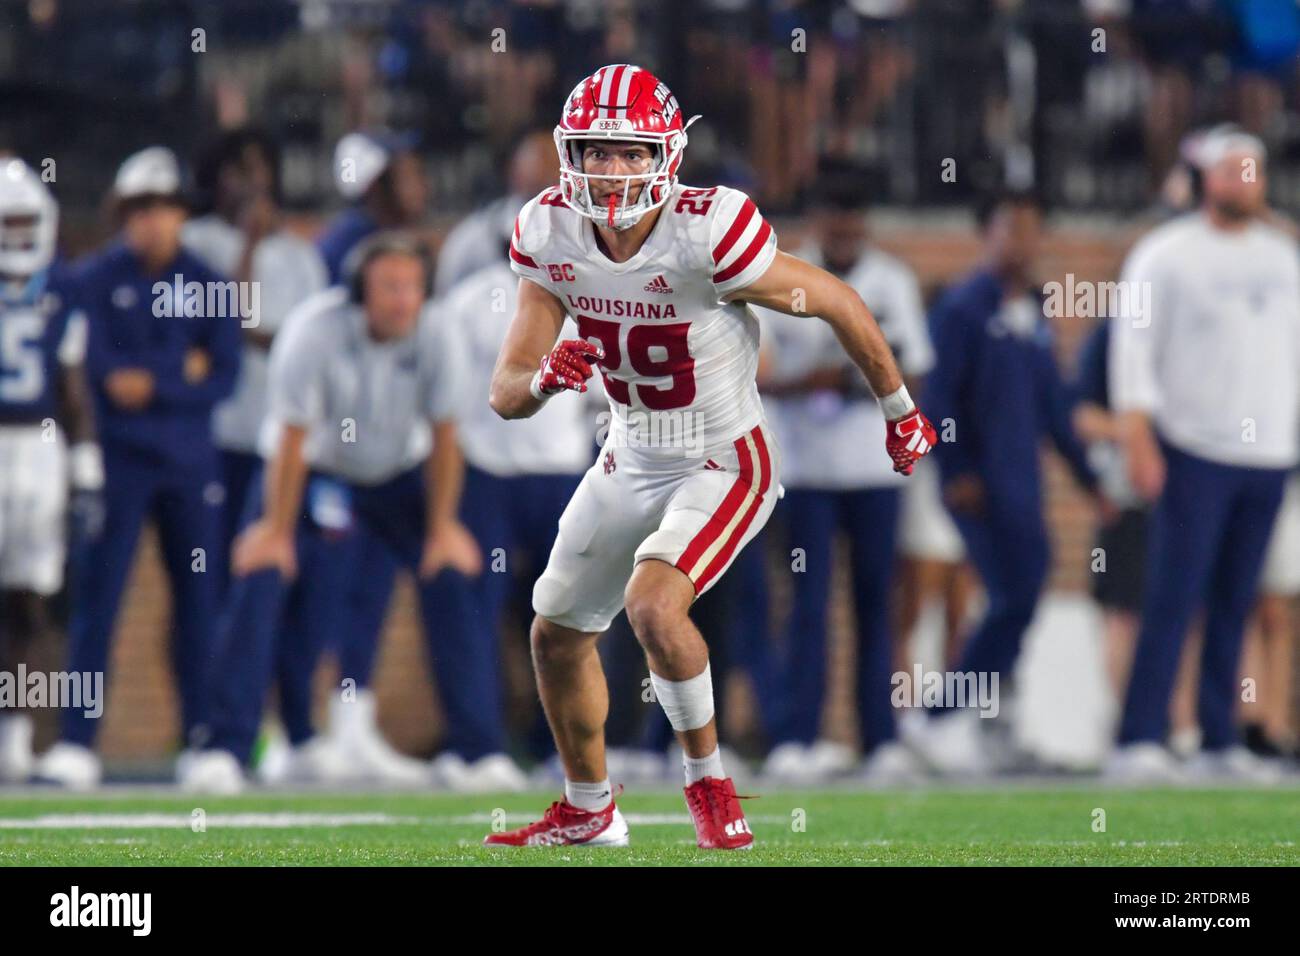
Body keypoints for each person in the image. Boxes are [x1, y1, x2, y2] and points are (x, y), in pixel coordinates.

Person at [484, 64, 935, 850]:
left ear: (666, 154)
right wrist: (546, 382)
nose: (612, 170)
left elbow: (835, 299)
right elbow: (506, 391)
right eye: (596, 151)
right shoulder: (548, 231)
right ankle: (590, 808)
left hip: (724, 453)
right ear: (571, 155)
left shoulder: (709, 230)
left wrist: (898, 409)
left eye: (629, 154)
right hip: (629, 451)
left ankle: (709, 784)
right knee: (552, 634)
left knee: (654, 607)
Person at [180, 235, 487, 793]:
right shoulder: (313, 331)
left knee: (452, 571)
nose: (403, 300)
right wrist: (276, 529)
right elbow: (293, 436)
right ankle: (224, 745)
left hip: (395, 477)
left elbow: (446, 436)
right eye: (390, 287)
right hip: (315, 471)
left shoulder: (439, 331)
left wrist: (442, 527)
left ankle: (478, 750)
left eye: (412, 287)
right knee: (263, 573)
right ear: (357, 294)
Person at [35, 147, 240, 789]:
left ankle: (203, 741)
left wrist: (150, 382)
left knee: (198, 605)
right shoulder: (90, 278)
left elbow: (224, 375)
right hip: (115, 464)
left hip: (185, 464)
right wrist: (176, 374)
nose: (152, 221)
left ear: (182, 213)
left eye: (164, 207)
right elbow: (80, 368)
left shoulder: (208, 282)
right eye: (140, 208)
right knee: (99, 603)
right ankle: (77, 743)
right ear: (123, 213)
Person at [1107, 129, 1300, 783]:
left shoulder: (1282, 258)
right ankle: (1140, 736)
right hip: (1191, 449)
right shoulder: (1164, 254)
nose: (1242, 182)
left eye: (1252, 171)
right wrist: (1138, 435)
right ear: (1201, 179)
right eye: (1229, 171)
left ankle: (1221, 739)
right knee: (1171, 596)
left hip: (1269, 453)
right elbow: (1131, 352)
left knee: (1237, 601)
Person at [908, 188, 1098, 777]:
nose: (1022, 241)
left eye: (1031, 229)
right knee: (1010, 599)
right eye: (1009, 228)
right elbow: (937, 398)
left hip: (1023, 485)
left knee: (1022, 598)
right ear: (985, 234)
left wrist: (1089, 478)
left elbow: (1054, 407)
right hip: (981, 486)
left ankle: (997, 723)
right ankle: (938, 718)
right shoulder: (963, 309)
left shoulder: (1034, 312)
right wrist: (957, 469)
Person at [754, 171, 934, 785]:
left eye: (854, 219)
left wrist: (853, 381)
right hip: (804, 470)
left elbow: (914, 371)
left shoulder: (892, 280)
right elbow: (751, 372)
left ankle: (878, 739)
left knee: (875, 606)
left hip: (875, 471)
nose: (845, 230)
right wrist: (810, 383)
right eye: (835, 217)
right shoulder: (781, 275)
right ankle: (797, 736)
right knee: (806, 606)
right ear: (817, 219)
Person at [0, 160, 102, 782]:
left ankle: (13, 736)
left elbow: (74, 389)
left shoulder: (63, 289)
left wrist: (87, 472)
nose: (15, 237)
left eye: (23, 224)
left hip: (38, 450)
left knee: (30, 598)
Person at [433, 130, 558, 297]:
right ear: (514, 169)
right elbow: (445, 299)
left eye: (559, 159)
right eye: (543, 157)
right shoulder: (476, 235)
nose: (554, 168)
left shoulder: (587, 232)